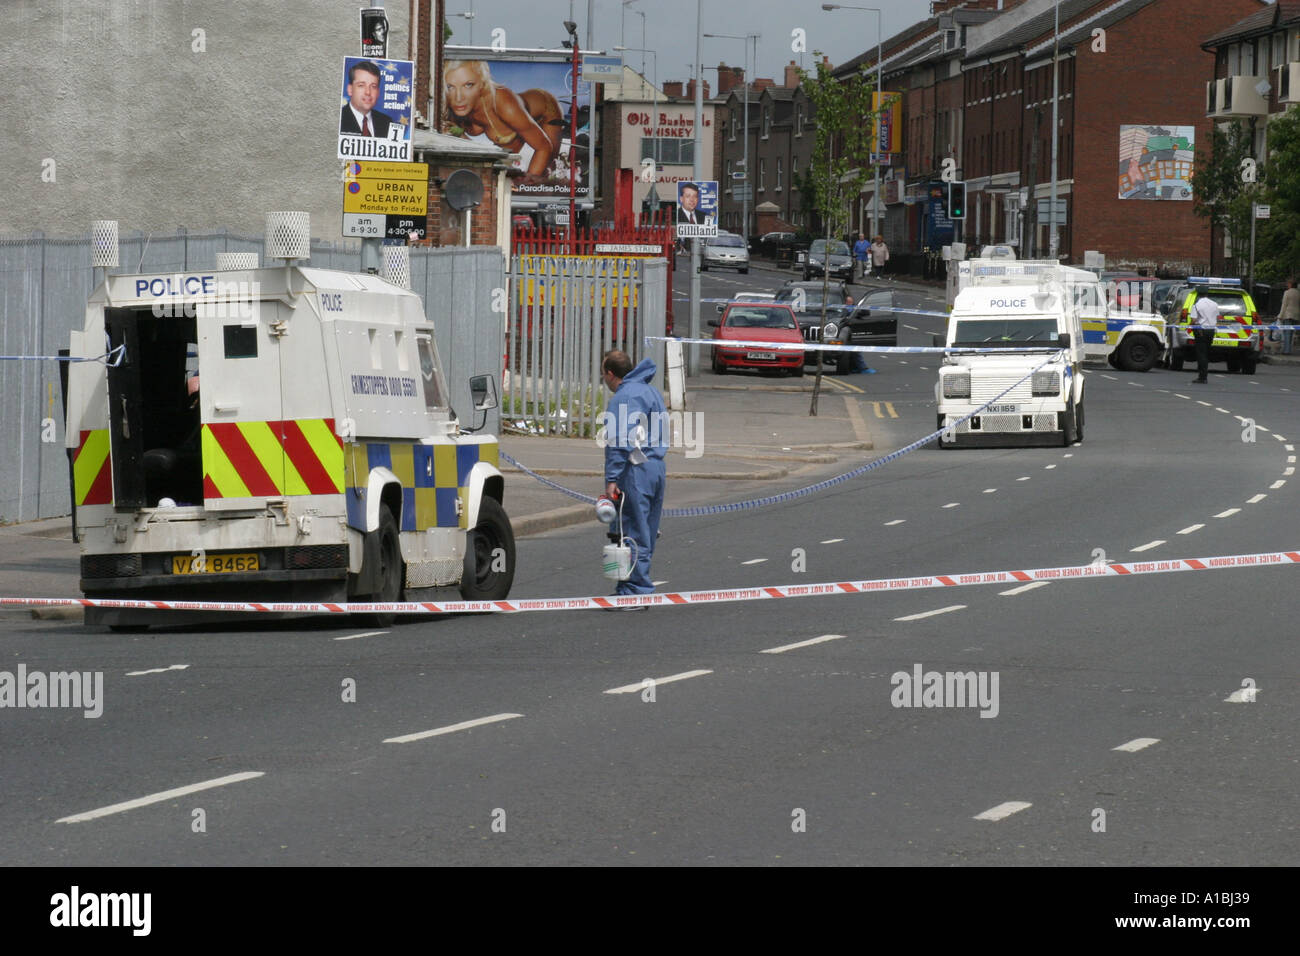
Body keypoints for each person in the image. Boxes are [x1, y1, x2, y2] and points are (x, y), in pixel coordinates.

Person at [601, 350, 668, 605]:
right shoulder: (650, 391)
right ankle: (634, 585)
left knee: (629, 530)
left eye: (603, 373)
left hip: (635, 470)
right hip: (656, 468)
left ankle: (634, 591)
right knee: (646, 532)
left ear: (610, 373)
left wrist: (612, 478)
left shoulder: (624, 397)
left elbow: (620, 440)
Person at [443, 60, 563, 181]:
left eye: (468, 85)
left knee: (547, 174)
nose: (458, 98)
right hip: (515, 126)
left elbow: (544, 147)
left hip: (546, 109)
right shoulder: (450, 107)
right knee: (500, 175)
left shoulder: (503, 104)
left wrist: (527, 183)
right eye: (450, 87)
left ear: (482, 83)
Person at [340, 61, 394, 138]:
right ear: (350, 89)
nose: (368, 92)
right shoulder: (340, 118)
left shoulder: (387, 122)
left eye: (373, 86)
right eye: (361, 85)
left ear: (378, 92)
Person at [1190, 292, 1219, 383]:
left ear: (1198, 295)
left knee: (1201, 353)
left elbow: (1194, 320)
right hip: (1211, 330)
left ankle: (1202, 377)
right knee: (1206, 352)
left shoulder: (1196, 305)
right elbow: (1216, 317)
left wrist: (1189, 325)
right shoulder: (1215, 304)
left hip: (1201, 331)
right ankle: (1203, 374)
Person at [1279, 278, 1299, 355]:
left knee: (1287, 333)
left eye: (1288, 283)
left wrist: (1280, 315)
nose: (1287, 285)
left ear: (1290, 284)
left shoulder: (1287, 292)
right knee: (1291, 333)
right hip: (1296, 315)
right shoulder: (1298, 293)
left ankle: (1286, 350)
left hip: (1288, 314)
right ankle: (1289, 349)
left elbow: (1284, 305)